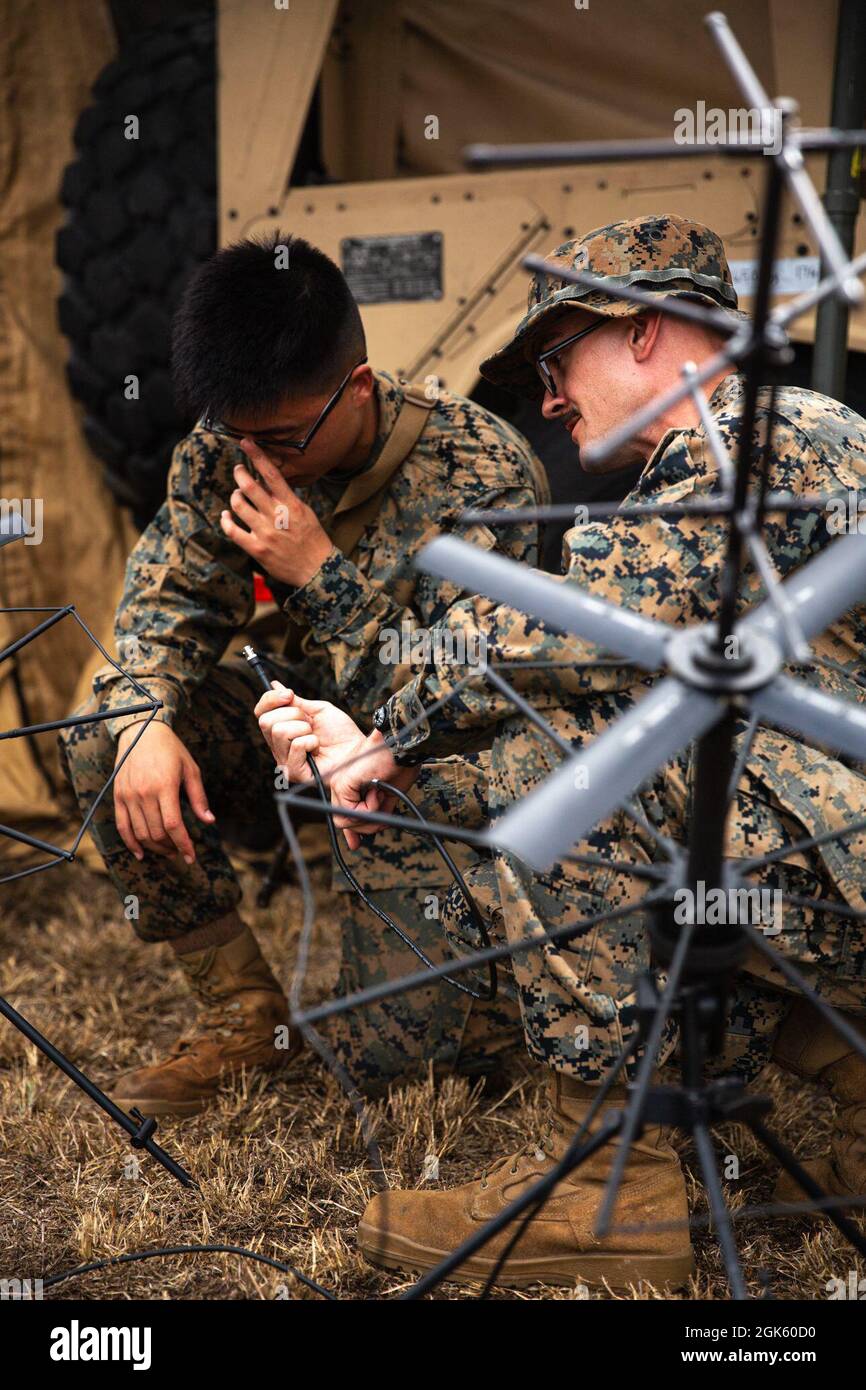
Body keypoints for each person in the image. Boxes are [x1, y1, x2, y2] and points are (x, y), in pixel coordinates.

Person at [256, 214, 866, 1289]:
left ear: (642, 331)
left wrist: (385, 734)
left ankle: (609, 1196)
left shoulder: (766, 435)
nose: (545, 397)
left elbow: (566, 633)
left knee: (569, 762)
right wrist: (391, 760)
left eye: (553, 358)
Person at [59, 232, 543, 1115]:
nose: (260, 462)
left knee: (403, 1072)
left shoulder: (483, 472)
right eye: (240, 436)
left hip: (419, 774)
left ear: (357, 388)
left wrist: (317, 571)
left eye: (282, 439)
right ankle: (242, 1017)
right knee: (109, 735)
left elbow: (467, 707)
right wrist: (141, 724)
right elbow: (166, 608)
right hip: (286, 743)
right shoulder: (230, 447)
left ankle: (496, 994)